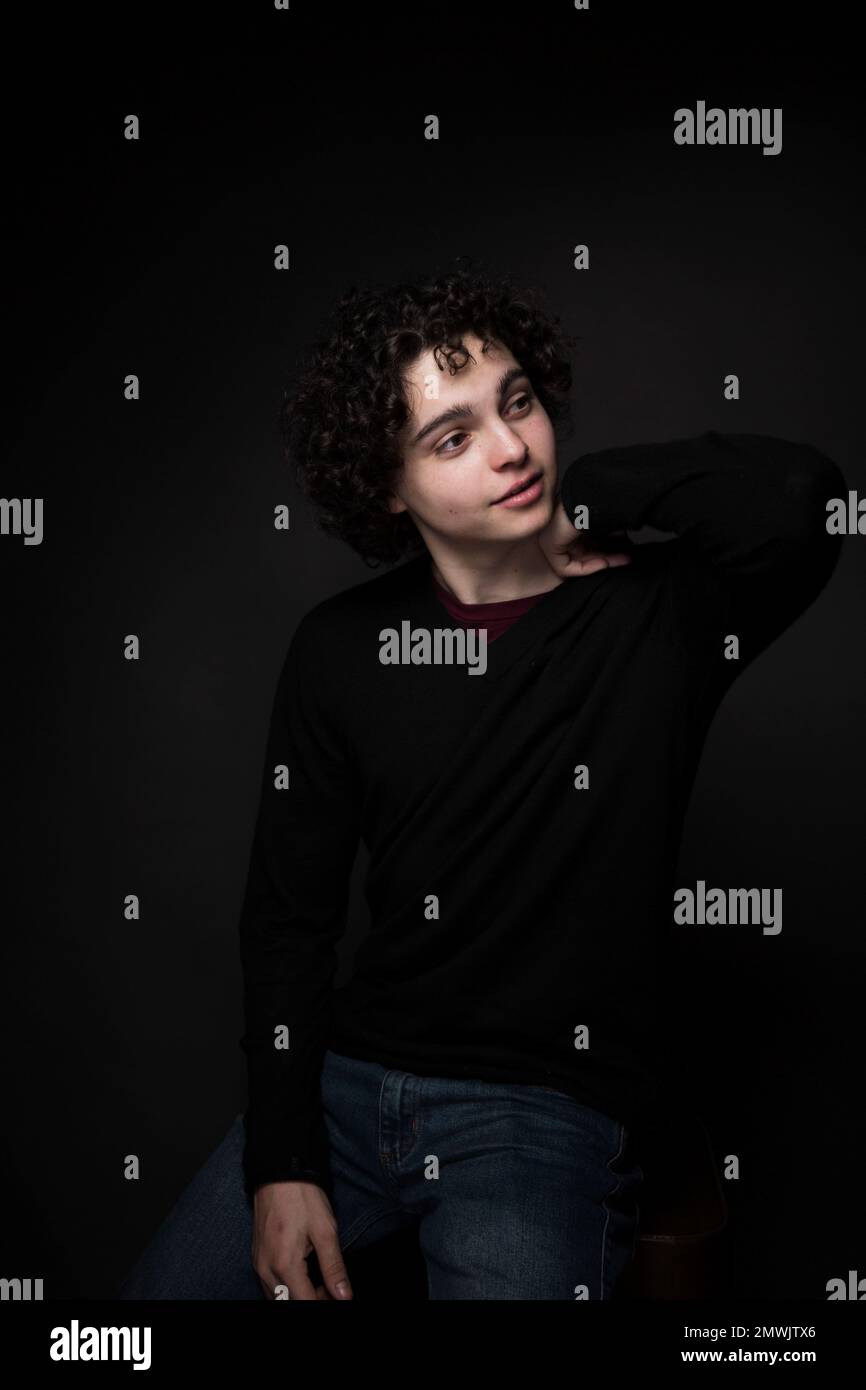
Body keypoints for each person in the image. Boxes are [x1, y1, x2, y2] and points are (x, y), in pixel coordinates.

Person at [116, 262, 843, 1301]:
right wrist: (283, 1159)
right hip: (343, 1089)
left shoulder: (660, 617)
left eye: (517, 402)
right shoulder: (336, 651)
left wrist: (587, 501)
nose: (511, 448)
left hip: (537, 1116)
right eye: (451, 437)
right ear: (384, 484)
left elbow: (803, 499)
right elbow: (286, 922)